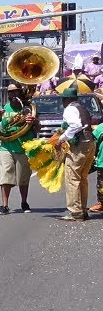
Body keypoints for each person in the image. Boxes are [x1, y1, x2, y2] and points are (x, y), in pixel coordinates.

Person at [0, 84, 34, 215]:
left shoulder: (28, 109)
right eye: (10, 93)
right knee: (6, 176)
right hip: (6, 147)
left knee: (23, 177)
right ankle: (5, 205)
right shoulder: (3, 109)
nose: (13, 96)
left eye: (16, 93)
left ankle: (24, 202)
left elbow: (37, 128)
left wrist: (33, 121)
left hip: (23, 147)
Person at [54, 85, 96, 221]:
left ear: (66, 100)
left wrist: (61, 138)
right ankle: (83, 209)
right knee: (82, 178)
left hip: (79, 146)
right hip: (90, 143)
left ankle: (75, 212)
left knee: (72, 178)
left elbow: (76, 125)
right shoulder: (82, 108)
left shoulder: (70, 109)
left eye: (63, 100)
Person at [91, 120, 103, 213]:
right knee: (101, 185)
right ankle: (102, 204)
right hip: (102, 161)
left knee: (101, 184)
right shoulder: (101, 127)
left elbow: (94, 141)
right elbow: (95, 141)